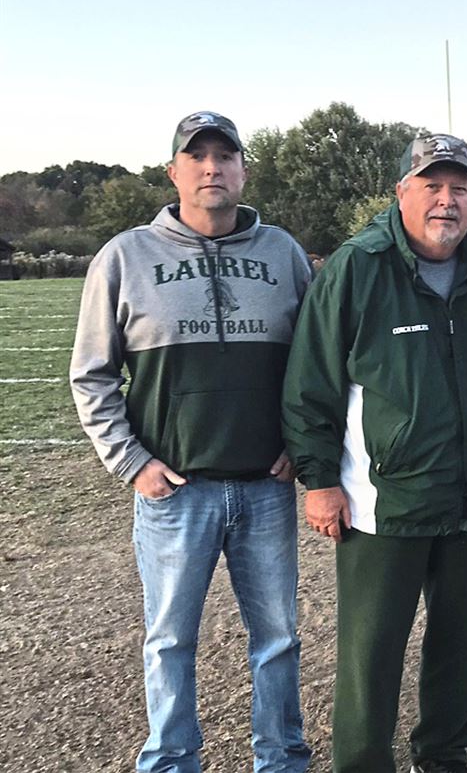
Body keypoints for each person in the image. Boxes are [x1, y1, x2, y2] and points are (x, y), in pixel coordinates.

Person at [69, 111, 312, 773]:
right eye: (196, 156)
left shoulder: (283, 254)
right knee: (171, 639)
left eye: (224, 155)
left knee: (279, 640)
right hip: (175, 494)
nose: (212, 167)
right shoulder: (125, 257)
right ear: (174, 171)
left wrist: (303, 442)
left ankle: (283, 759)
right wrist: (131, 463)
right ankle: (172, 761)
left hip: (266, 488)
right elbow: (90, 374)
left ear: (242, 170)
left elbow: (315, 365)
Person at [281, 134, 467, 773]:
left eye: (460, 188)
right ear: (402, 193)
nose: (447, 201)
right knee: (372, 651)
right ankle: (363, 763)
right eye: (432, 187)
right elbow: (311, 385)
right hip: (384, 500)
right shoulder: (359, 267)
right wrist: (319, 481)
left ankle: (442, 756)